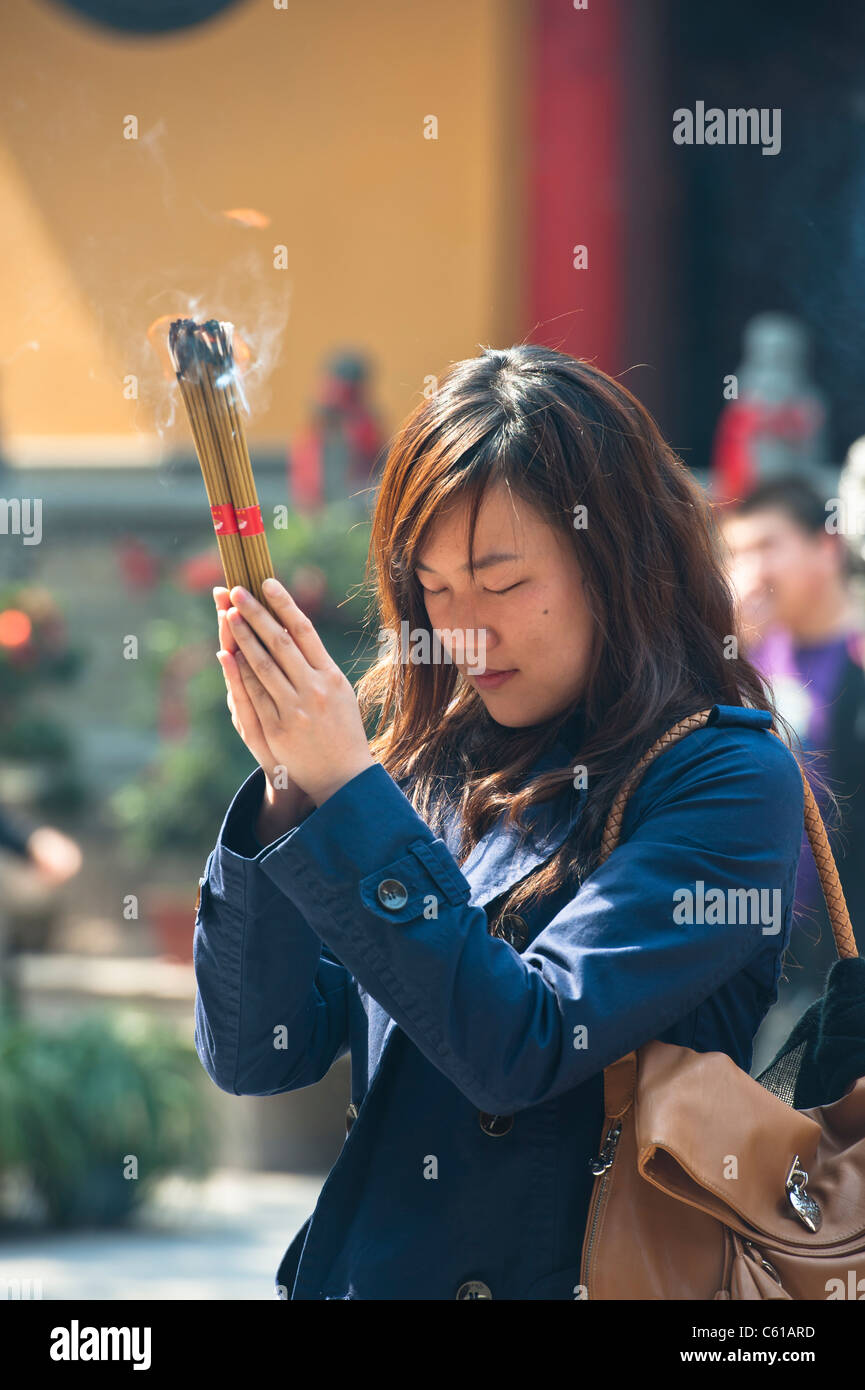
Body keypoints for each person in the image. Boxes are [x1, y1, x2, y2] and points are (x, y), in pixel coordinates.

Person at [193, 345, 805, 1301]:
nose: (462, 630)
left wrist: (350, 794)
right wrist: (289, 787)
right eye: (433, 590)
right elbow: (258, 1052)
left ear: (616, 558)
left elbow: (521, 1046)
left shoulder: (725, 778)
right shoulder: (427, 765)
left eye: (501, 581)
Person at [719, 475, 865, 1069]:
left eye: (766, 547)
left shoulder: (856, 657)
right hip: (757, 943)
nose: (751, 570)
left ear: (825, 548)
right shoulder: (746, 657)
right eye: (736, 553)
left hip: (840, 943)